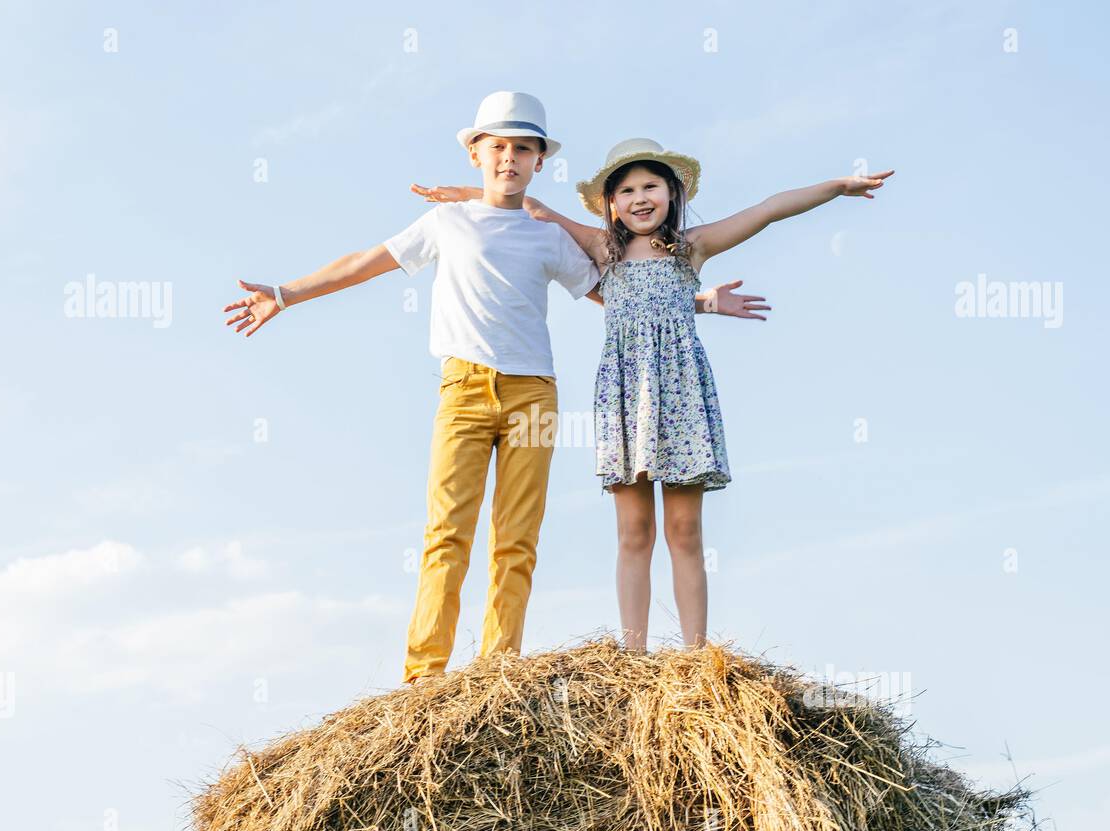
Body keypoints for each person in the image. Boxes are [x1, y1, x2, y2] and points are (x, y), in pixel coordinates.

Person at [222, 94, 768, 685]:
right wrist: (285, 294)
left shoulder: (549, 237)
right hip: (464, 388)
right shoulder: (445, 222)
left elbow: (625, 298)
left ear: (539, 161)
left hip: (534, 392)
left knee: (517, 538)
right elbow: (366, 262)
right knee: (447, 533)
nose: (510, 158)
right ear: (477, 154)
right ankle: (425, 677)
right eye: (500, 147)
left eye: (524, 149)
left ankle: (495, 670)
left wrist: (703, 302)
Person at [415, 136, 893, 653]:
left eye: (651, 186)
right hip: (624, 398)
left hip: (681, 395)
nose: (640, 198)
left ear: (672, 193)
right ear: (610, 205)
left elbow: (769, 210)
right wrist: (468, 193)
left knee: (685, 530)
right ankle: (634, 654)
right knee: (634, 531)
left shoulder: (692, 247)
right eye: (626, 190)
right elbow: (532, 206)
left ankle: (695, 655)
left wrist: (837, 187)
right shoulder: (601, 250)